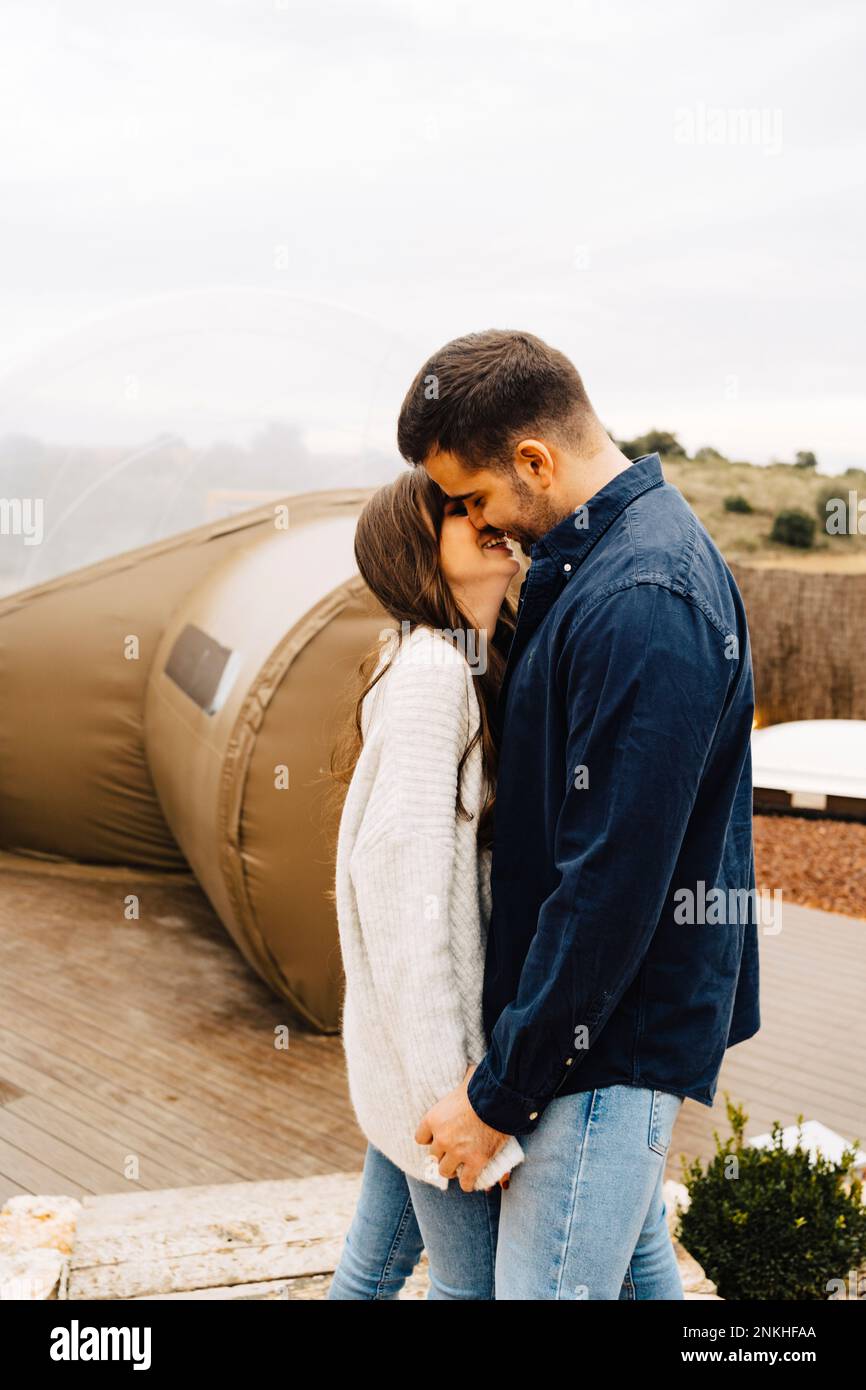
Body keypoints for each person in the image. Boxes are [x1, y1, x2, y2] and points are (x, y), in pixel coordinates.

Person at [396, 328, 761, 1300]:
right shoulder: (598, 567)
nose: (475, 523)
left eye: (473, 499)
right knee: (644, 1278)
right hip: (578, 1032)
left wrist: (498, 1095)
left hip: (601, 1046)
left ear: (533, 460)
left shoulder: (643, 597)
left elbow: (607, 887)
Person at [327, 465, 524, 1300]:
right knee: (471, 1286)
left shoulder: (460, 661)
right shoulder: (435, 675)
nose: (487, 514)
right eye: (460, 508)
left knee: (373, 1271)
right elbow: (401, 894)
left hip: (402, 1058)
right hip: (433, 1073)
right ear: (418, 550)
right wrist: (458, 1094)